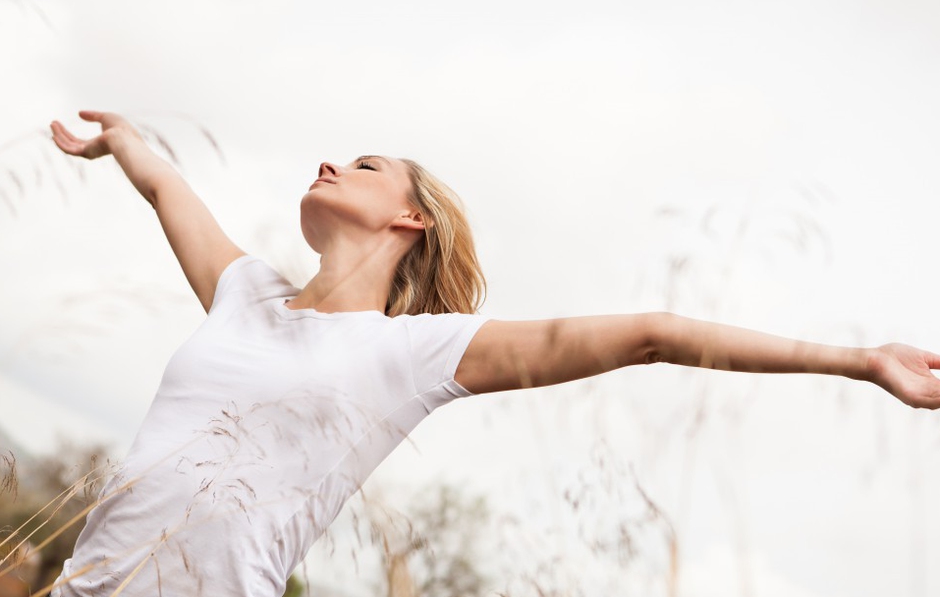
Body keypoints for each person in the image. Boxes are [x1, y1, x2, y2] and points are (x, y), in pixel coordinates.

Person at [47, 110, 940, 597]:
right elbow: (168, 184)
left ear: (411, 217)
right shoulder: (244, 296)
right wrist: (118, 141)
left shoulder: (412, 352)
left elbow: (653, 334)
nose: (331, 162)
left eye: (363, 164)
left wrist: (861, 360)